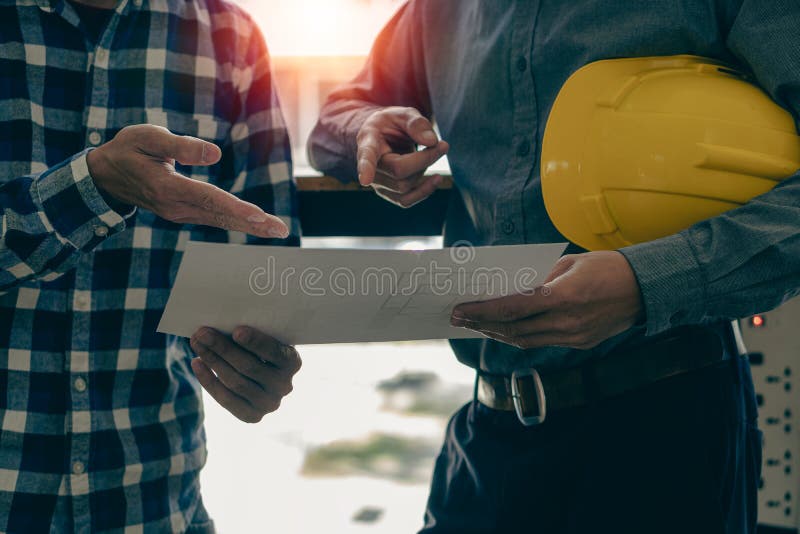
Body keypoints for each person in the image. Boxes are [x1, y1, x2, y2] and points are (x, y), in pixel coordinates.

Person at [308, 1, 800, 532]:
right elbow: (336, 118)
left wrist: (646, 284)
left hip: (670, 434)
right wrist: (367, 130)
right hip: (487, 436)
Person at [0, 0, 301, 531]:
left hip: (158, 506)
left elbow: (272, 273)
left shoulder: (232, 36)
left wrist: (262, 363)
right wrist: (92, 188)